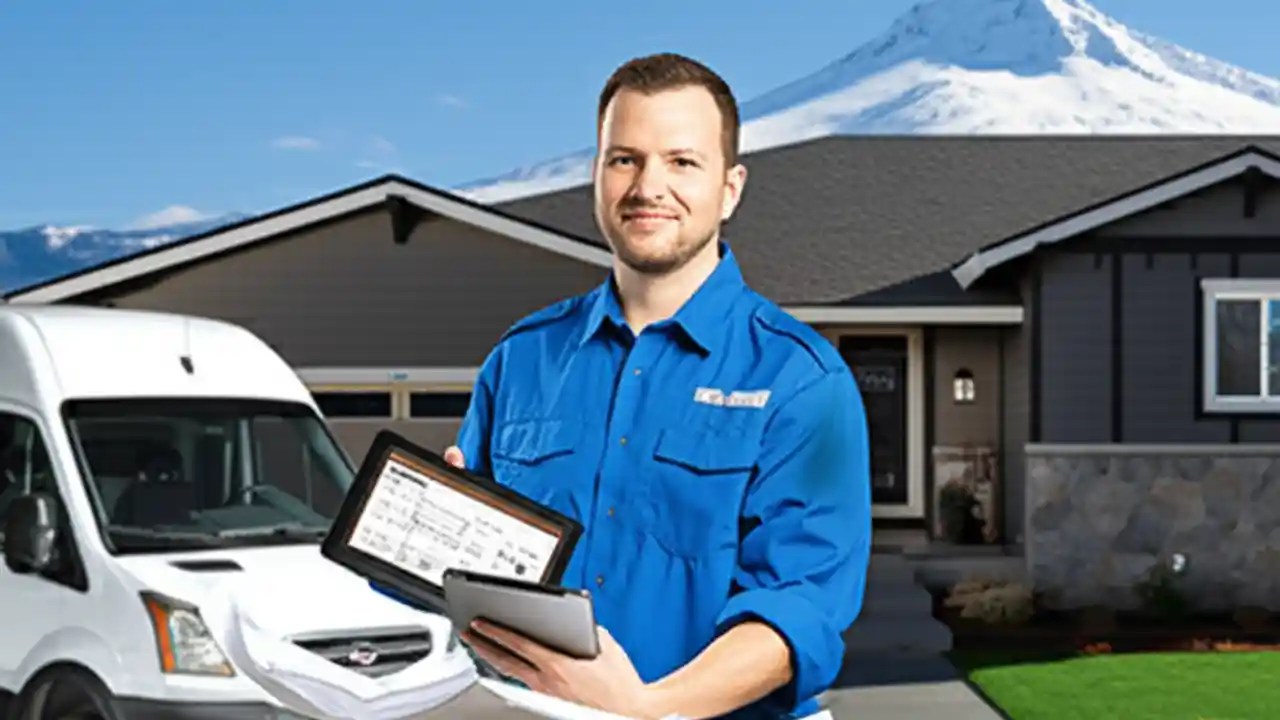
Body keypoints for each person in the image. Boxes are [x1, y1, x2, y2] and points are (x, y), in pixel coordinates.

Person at [444, 53, 870, 719]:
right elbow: (482, 577)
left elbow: (802, 608)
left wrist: (646, 708)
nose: (649, 186)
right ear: (597, 174)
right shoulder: (520, 360)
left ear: (730, 188)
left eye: (682, 161)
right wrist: (444, 533)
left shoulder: (802, 381)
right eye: (625, 159)